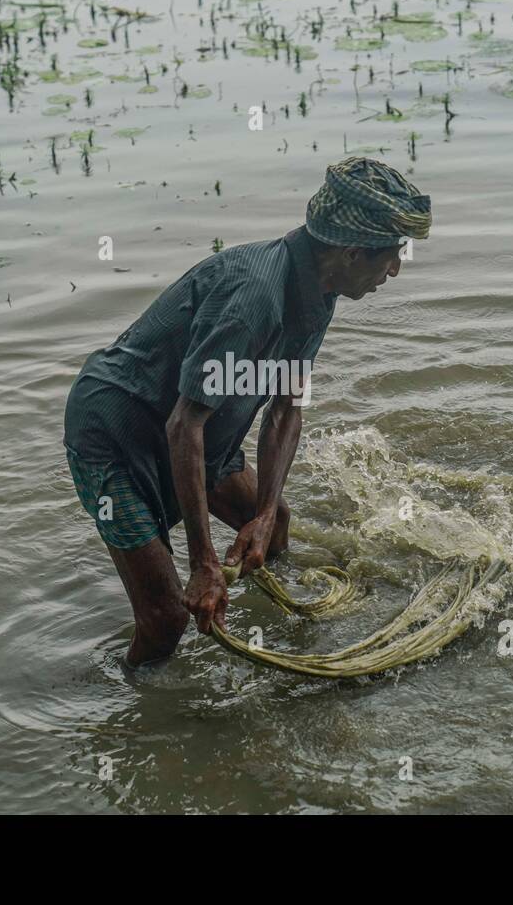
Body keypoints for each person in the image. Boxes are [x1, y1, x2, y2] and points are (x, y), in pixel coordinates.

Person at [63, 157, 432, 665]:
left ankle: (263, 613)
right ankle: (138, 703)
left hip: (199, 434)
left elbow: (285, 408)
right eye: (390, 257)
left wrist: (259, 515)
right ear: (350, 252)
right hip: (118, 433)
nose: (394, 270)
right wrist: (203, 563)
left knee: (275, 522)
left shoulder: (319, 294)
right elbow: (182, 426)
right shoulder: (253, 296)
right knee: (167, 618)